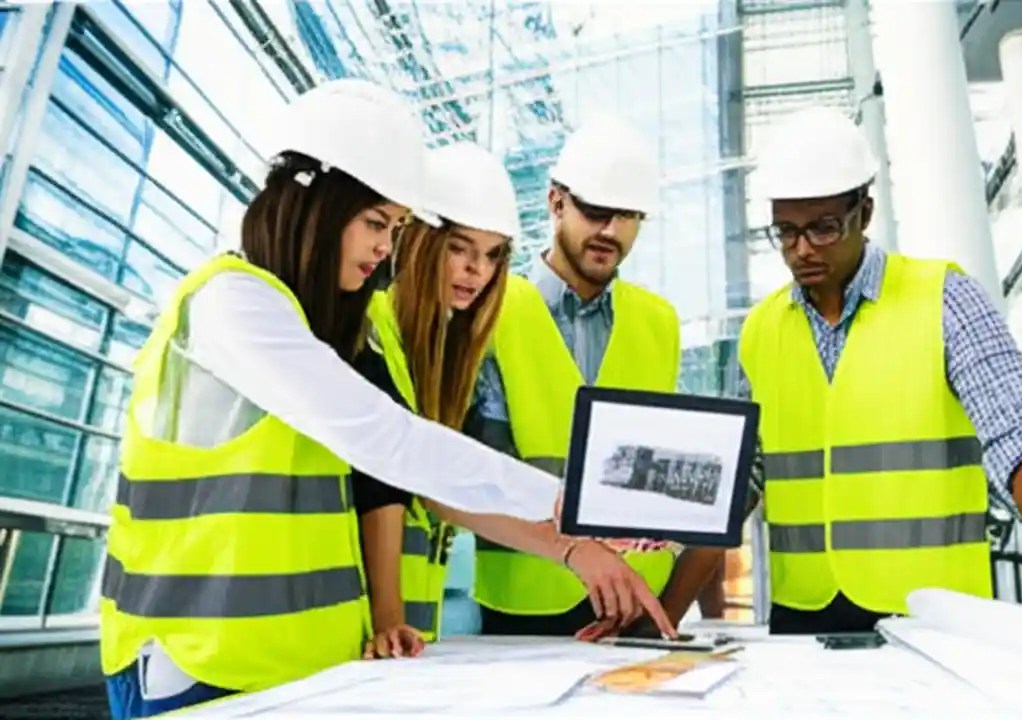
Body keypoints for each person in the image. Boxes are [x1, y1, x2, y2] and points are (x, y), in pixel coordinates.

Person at [99, 79, 563, 720]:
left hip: (298, 669)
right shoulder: (232, 304)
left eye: (395, 227)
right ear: (310, 204)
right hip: (200, 667)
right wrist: (562, 503)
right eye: (375, 222)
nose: (383, 248)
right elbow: (389, 440)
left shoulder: (310, 322)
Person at [738, 106, 1022, 635]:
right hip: (804, 617)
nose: (802, 250)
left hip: (936, 615)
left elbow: (1019, 440)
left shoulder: (944, 299)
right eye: (786, 233)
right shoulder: (760, 329)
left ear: (863, 213)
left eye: (822, 228)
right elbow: (744, 475)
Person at [352, 141, 677, 659]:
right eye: (459, 248)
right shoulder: (375, 329)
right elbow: (409, 480)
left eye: (492, 254)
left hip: (417, 616)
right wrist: (572, 544)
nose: (475, 271)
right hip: (381, 615)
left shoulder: (450, 341)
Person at [468, 114, 730, 639]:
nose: (610, 231)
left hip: (637, 602)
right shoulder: (492, 307)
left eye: (627, 216)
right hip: (527, 605)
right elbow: (478, 474)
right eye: (595, 211)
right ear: (556, 202)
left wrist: (704, 609)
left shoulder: (658, 321)